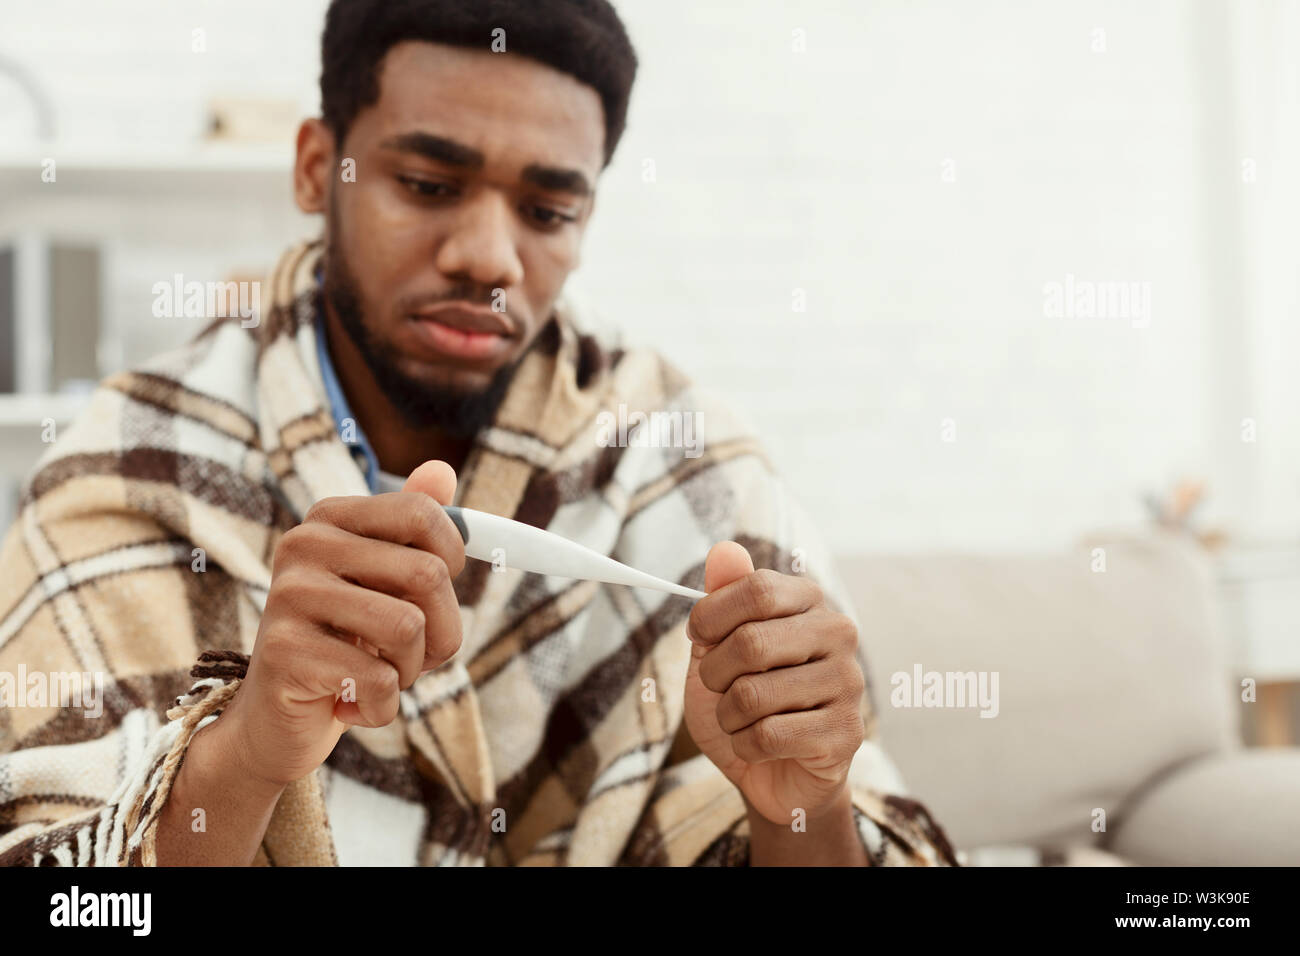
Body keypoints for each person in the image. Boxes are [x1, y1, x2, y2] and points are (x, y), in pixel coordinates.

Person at [0, 0, 957, 867]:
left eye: (547, 210)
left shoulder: (689, 464)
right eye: (426, 183)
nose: (491, 258)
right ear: (310, 167)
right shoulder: (132, 461)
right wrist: (249, 752)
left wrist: (803, 807)